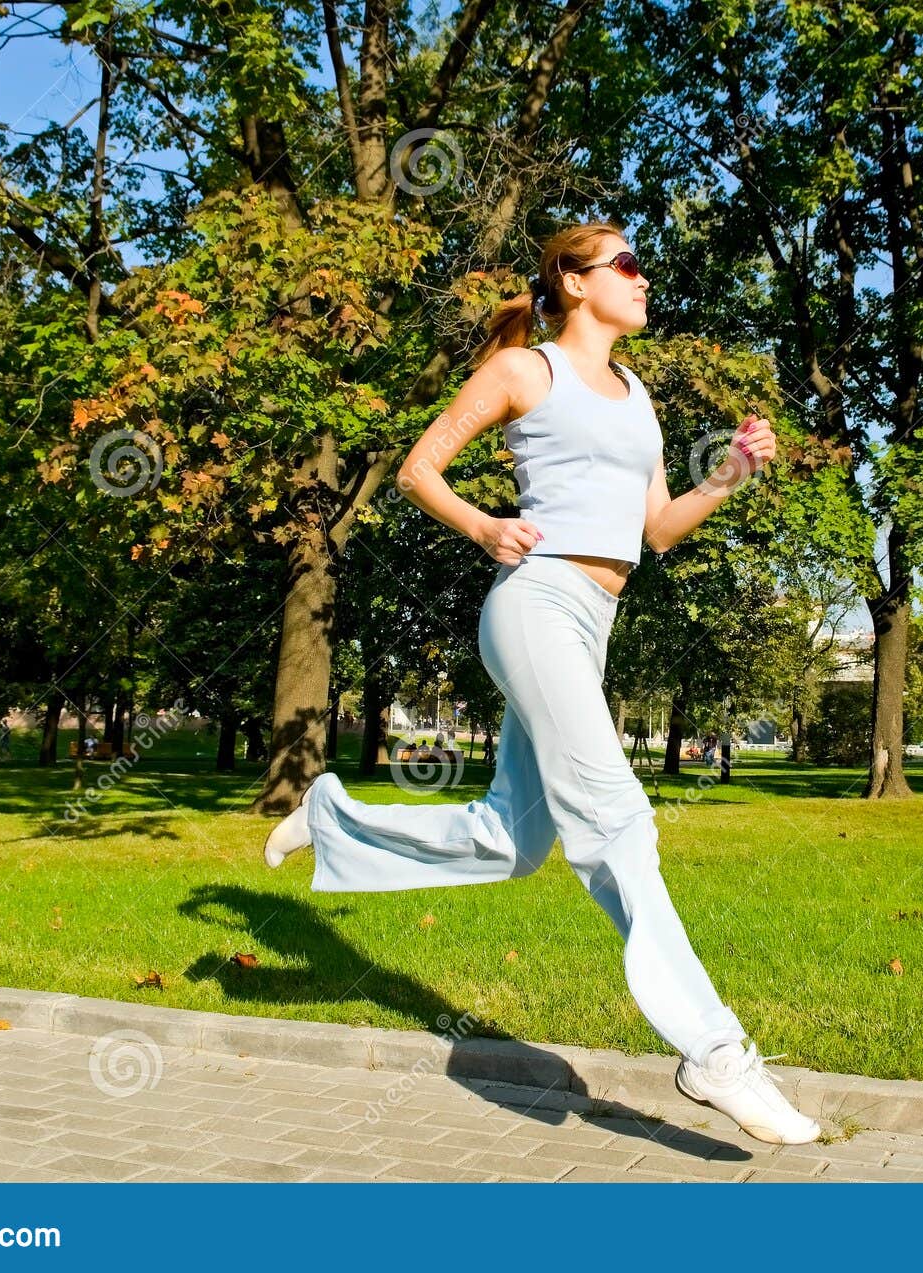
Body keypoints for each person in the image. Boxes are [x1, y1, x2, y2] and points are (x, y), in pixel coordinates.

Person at [261, 221, 815, 1144]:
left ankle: (332, 820)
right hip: (534, 606)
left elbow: (657, 532)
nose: (644, 280)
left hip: (592, 622)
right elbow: (417, 467)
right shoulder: (527, 372)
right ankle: (715, 1052)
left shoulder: (640, 397)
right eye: (626, 265)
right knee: (618, 822)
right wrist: (484, 527)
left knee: (512, 839)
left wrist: (728, 475)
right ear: (572, 278)